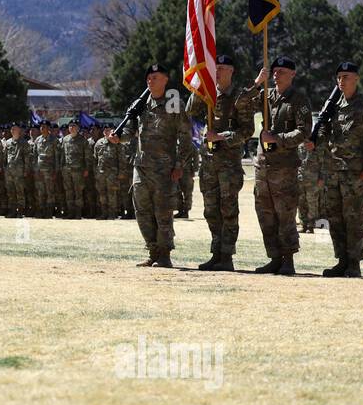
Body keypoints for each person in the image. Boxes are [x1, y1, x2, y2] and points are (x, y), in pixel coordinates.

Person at [108, 64, 191, 268]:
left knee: (163, 211)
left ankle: (165, 255)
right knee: (142, 211)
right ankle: (153, 251)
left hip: (164, 168)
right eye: (148, 78)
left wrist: (179, 164)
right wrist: (119, 138)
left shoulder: (173, 102)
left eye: (155, 77)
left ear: (165, 79)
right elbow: (130, 130)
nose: (150, 81)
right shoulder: (140, 104)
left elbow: (185, 136)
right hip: (141, 166)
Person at [185, 54, 255, 271]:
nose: (218, 71)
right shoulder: (208, 96)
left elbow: (247, 131)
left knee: (228, 210)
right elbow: (189, 111)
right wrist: (199, 85)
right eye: (216, 68)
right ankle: (216, 252)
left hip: (228, 164)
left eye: (223, 68)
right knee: (210, 210)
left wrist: (222, 136)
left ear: (231, 71)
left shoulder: (239, 98)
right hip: (208, 162)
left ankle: (227, 256)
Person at [244, 56, 314, 275]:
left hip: (284, 166)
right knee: (264, 211)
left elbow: (303, 132)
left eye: (282, 71)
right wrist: (257, 83)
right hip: (263, 164)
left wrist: (277, 138)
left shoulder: (298, 99)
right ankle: (274, 257)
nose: (277, 74)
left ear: (292, 74)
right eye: (274, 71)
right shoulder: (266, 95)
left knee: (285, 213)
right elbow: (241, 104)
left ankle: (288, 259)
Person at [315, 62, 363, 278]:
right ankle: (342, 260)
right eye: (339, 77)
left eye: (346, 76)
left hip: (356, 172)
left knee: (354, 218)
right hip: (334, 170)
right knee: (335, 217)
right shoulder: (332, 106)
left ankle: (354, 262)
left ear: (356, 79)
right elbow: (325, 137)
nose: (342, 81)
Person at [59, 120, 91, 220]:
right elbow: (63, 155)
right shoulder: (65, 139)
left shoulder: (83, 140)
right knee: (68, 191)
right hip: (67, 170)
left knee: (78, 192)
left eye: (74, 126)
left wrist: (86, 169)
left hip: (78, 170)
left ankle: (78, 213)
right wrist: (61, 167)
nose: (72, 128)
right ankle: (70, 212)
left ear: (78, 128)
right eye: (70, 126)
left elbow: (87, 156)